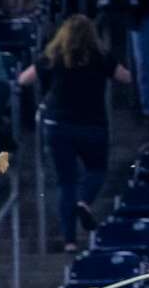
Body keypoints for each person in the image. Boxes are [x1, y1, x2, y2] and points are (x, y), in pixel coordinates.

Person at [18, 15, 131, 251]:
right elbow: (126, 77)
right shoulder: (100, 57)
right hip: (93, 124)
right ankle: (84, 201)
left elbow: (24, 79)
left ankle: (69, 240)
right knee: (97, 170)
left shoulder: (53, 57)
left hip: (58, 126)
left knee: (65, 183)